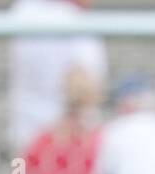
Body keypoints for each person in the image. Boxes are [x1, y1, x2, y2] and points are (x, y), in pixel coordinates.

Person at [8, 0, 107, 154]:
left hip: (27, 132)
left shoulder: (23, 10)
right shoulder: (74, 21)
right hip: (70, 135)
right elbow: (87, 86)